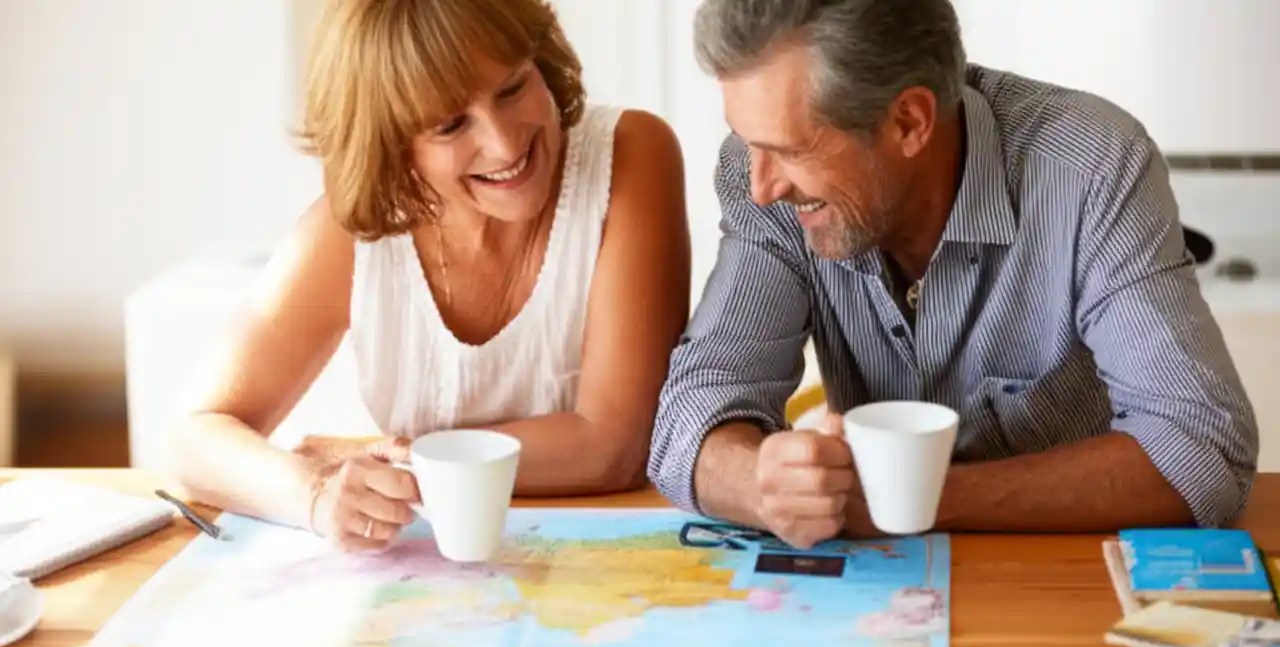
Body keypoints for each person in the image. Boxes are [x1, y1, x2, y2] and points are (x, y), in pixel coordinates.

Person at [648, 0, 1258, 548]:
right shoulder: (767, 186)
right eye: (747, 141)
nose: (762, 186)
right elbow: (689, 418)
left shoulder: (1089, 167)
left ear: (910, 122)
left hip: (1067, 578)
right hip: (879, 607)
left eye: (791, 149)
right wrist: (760, 483)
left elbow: (1201, 446)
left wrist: (916, 499)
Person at [169, 0, 691, 551]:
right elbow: (193, 436)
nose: (505, 142)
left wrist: (401, 459)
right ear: (393, 144)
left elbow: (614, 445)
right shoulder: (352, 234)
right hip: (433, 578)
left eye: (513, 87)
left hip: (604, 560)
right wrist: (315, 492)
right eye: (450, 125)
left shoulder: (630, 155)